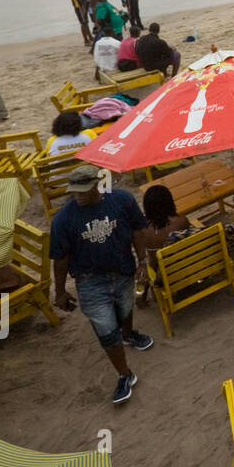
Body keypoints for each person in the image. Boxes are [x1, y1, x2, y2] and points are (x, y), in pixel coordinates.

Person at [50, 164, 154, 405]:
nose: (78, 196)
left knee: (126, 308)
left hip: (123, 270)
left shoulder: (122, 201)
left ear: (97, 185)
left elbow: (139, 231)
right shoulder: (63, 219)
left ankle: (128, 334)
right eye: (74, 191)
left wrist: (142, 262)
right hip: (89, 282)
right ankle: (125, 374)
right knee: (106, 330)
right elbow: (60, 258)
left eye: (83, 191)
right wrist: (60, 291)